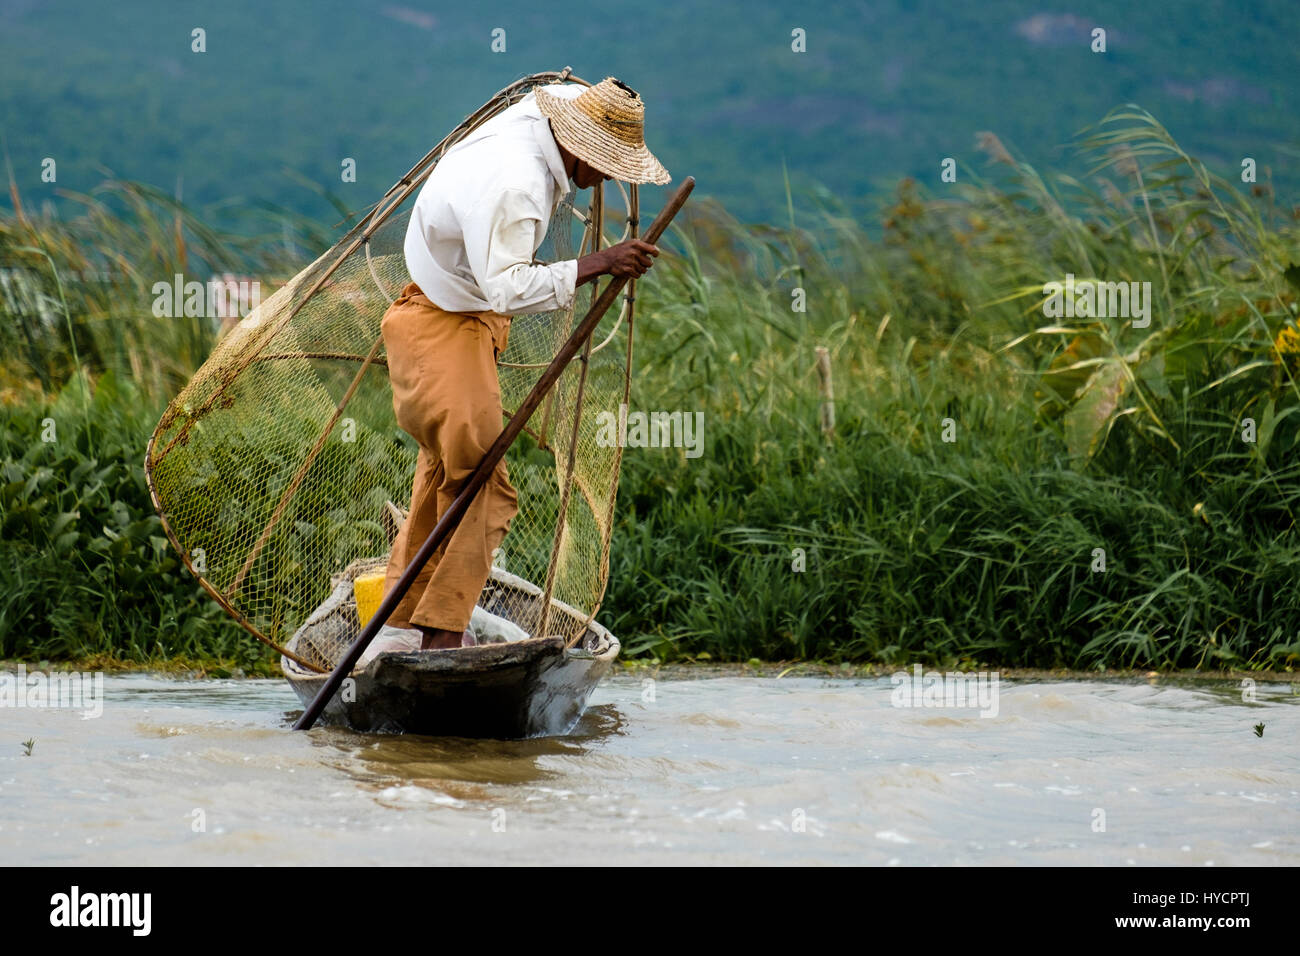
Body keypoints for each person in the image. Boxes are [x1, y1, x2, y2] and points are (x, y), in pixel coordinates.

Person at [380, 76, 671, 650]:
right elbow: (509, 289)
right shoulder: (517, 185)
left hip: (443, 315)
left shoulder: (547, 115)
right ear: (578, 147)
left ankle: (396, 627)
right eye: (606, 164)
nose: (608, 177)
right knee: (485, 485)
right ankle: (442, 641)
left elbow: (570, 94)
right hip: (444, 328)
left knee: (445, 476)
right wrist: (601, 262)